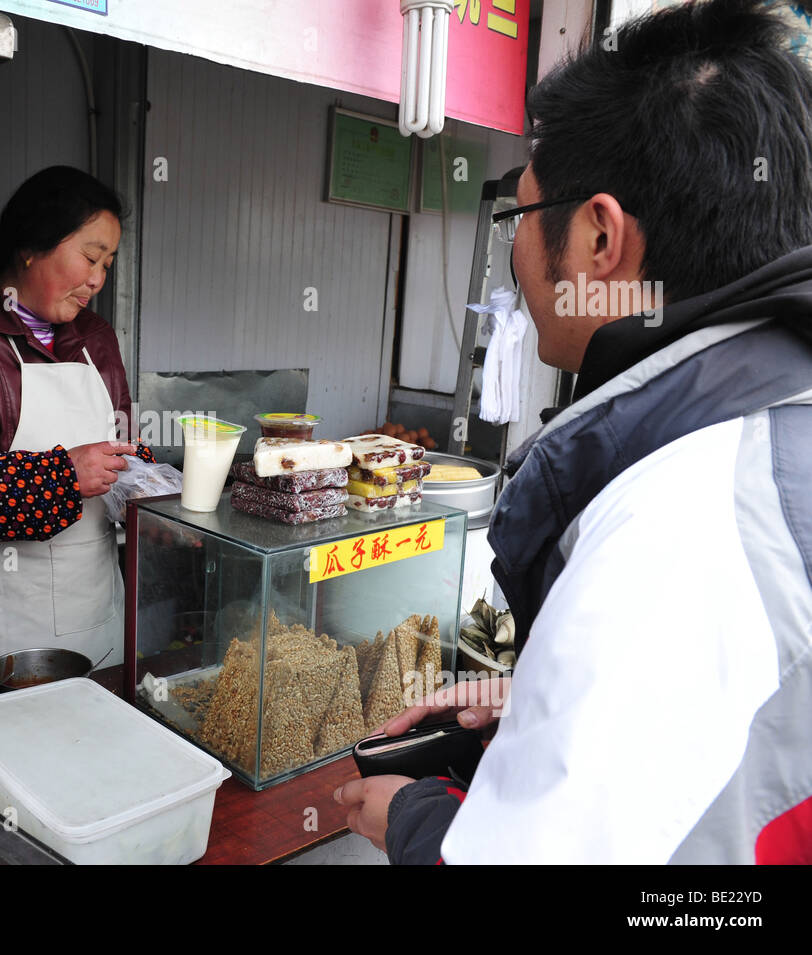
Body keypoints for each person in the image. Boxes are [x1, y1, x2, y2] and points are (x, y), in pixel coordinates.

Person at [337, 0, 812, 863]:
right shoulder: (775, 427)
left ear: (598, 237)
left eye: (518, 216)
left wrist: (412, 821)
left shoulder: (679, 519)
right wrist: (549, 696)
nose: (518, 257)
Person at [0, 166, 153, 674]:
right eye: (90, 257)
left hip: (93, 614)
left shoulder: (95, 335)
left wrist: (153, 495)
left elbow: (123, 443)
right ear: (32, 246)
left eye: (108, 264)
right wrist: (61, 477)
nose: (98, 279)